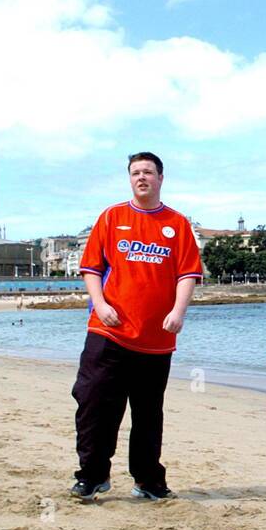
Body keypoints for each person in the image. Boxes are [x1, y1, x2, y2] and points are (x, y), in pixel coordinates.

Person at [69, 152, 203, 502]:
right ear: (129, 179)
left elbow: (188, 273)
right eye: (135, 172)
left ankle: (148, 480)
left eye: (147, 172)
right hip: (108, 330)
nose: (141, 177)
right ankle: (92, 476)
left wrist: (178, 312)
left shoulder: (177, 223)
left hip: (156, 338)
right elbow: (92, 269)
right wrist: (100, 304)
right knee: (94, 403)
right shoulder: (112, 217)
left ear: (161, 178)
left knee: (147, 413)